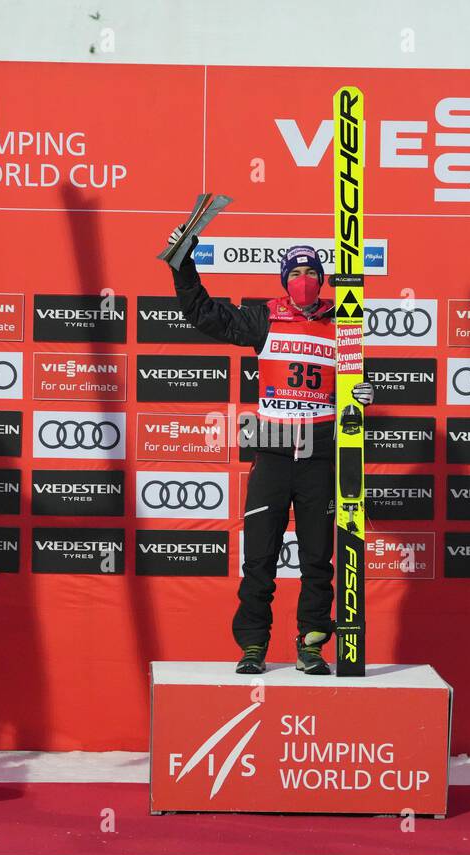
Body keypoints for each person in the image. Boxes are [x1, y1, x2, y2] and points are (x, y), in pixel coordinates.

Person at [165, 230, 372, 675]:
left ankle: (311, 646)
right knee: (259, 558)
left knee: (318, 560)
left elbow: (353, 386)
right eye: (295, 273)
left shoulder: (343, 322)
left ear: (322, 279)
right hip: (274, 452)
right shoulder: (264, 319)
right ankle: (254, 646)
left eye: (311, 272)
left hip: (319, 455)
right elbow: (204, 313)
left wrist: (361, 394)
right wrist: (183, 264)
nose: (303, 280)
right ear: (284, 280)